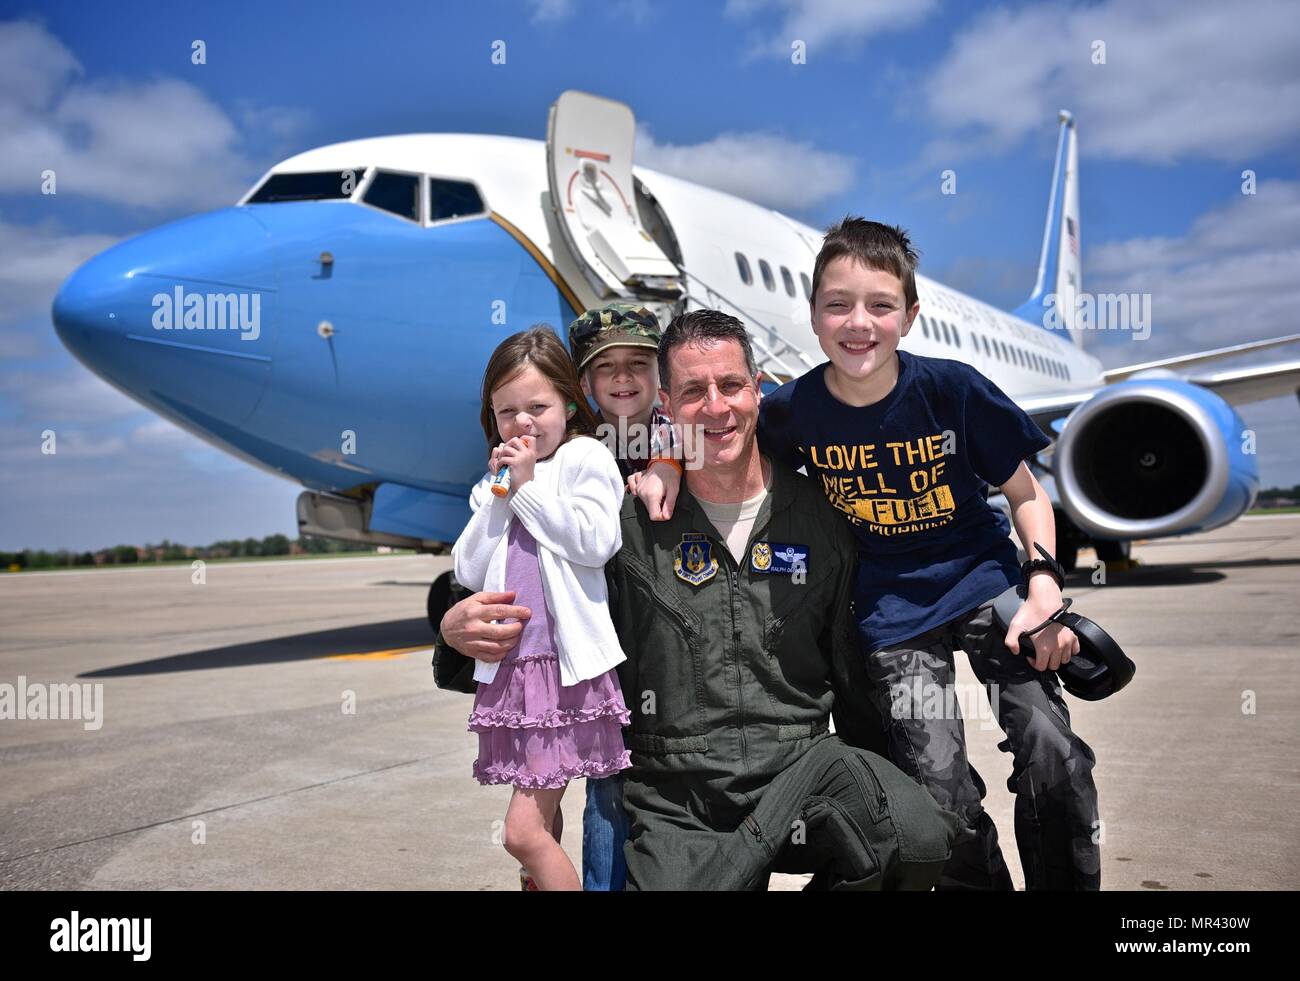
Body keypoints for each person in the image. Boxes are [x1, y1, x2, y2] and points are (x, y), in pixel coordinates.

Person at [633, 219, 1101, 890]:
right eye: (838, 305)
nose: (860, 322)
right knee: (941, 792)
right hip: (893, 613)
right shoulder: (795, 411)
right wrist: (666, 459)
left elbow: (1026, 493)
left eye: (881, 305)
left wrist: (1046, 585)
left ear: (910, 315)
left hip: (985, 582)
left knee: (1053, 753)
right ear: (815, 318)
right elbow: (718, 423)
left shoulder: (953, 390)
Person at [436, 310, 958, 890]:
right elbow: (545, 606)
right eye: (693, 392)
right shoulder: (626, 526)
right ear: (667, 404)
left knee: (911, 834)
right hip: (680, 796)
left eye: (731, 385)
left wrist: (882, 776)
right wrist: (455, 634)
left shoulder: (818, 517)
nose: (715, 406)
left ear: (757, 391)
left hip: (797, 770)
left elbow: (851, 662)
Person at [453, 326, 630, 891]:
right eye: (507, 411)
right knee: (543, 825)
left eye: (538, 407)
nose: (523, 423)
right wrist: (504, 492)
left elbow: (594, 540)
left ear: (570, 403)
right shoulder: (497, 482)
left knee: (521, 832)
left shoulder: (584, 456)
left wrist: (527, 488)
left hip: (564, 669)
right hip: (514, 671)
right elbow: (468, 567)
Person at [567, 303, 677, 890]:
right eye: (605, 367)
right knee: (607, 782)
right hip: (603, 645)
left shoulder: (685, 435)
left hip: (675, 640)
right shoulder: (568, 451)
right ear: (584, 384)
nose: (624, 377)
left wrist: (670, 460)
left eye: (639, 362)